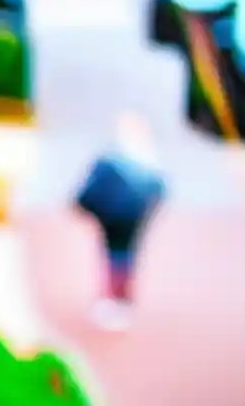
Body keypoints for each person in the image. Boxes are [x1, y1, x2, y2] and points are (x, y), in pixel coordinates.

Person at [76, 111, 165, 332]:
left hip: (111, 218)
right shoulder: (148, 158)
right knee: (126, 258)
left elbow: (90, 188)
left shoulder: (110, 159)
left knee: (112, 257)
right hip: (133, 218)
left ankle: (112, 300)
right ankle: (121, 301)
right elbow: (160, 190)